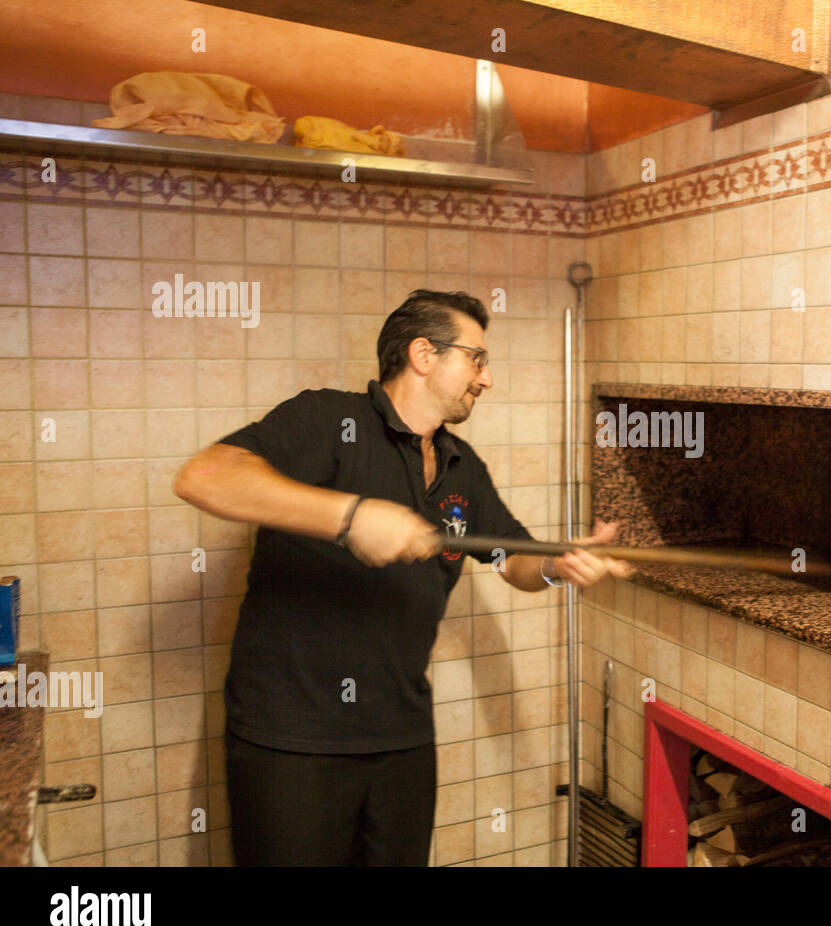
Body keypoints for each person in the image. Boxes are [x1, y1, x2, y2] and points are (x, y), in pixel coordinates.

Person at [173, 289, 632, 866]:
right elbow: (204, 476)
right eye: (477, 359)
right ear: (423, 354)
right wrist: (350, 516)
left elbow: (509, 559)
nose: (485, 379)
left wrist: (557, 565)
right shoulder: (327, 419)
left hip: (402, 736)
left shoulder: (460, 464)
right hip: (293, 737)